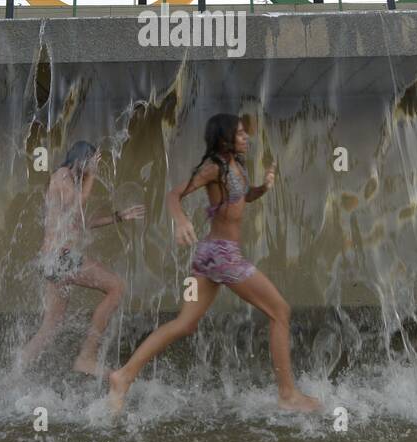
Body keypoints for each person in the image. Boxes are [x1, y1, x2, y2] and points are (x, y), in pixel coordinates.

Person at [109, 114, 320, 413]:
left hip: (210, 255)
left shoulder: (237, 166)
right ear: (224, 139)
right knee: (280, 311)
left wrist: (264, 187)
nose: (246, 137)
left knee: (185, 323)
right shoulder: (213, 167)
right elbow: (173, 195)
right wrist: (181, 221)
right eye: (240, 134)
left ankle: (122, 376)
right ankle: (288, 395)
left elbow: (242, 198)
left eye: (245, 133)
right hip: (223, 257)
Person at [19, 141, 145, 377]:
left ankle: (15, 371)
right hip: (61, 257)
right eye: (93, 161)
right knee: (116, 287)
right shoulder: (62, 176)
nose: (95, 166)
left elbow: (81, 223)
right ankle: (86, 357)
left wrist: (119, 216)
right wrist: (92, 177)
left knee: (51, 325)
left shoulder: (69, 180)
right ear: (82, 159)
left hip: (55, 259)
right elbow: (77, 205)